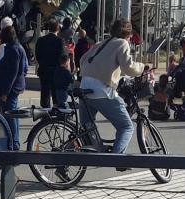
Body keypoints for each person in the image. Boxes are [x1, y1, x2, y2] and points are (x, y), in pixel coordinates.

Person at [76, 19, 144, 154]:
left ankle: (66, 158)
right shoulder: (122, 43)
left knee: (86, 128)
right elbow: (128, 67)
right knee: (126, 126)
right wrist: (141, 67)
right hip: (101, 90)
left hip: (84, 86)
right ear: (129, 35)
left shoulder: (101, 43)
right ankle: (116, 159)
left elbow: (82, 59)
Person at [0, 25, 27, 149]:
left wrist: (5, 92)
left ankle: (14, 143)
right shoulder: (16, 47)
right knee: (13, 115)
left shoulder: (13, 49)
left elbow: (12, 73)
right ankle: (14, 141)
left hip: (10, 88)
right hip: (15, 87)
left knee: (10, 115)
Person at [34, 20, 65, 109]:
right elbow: (61, 56)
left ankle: (45, 112)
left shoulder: (41, 40)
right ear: (58, 29)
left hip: (43, 69)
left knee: (44, 92)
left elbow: (37, 54)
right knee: (55, 93)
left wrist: (42, 63)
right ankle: (56, 110)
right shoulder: (59, 41)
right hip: (55, 70)